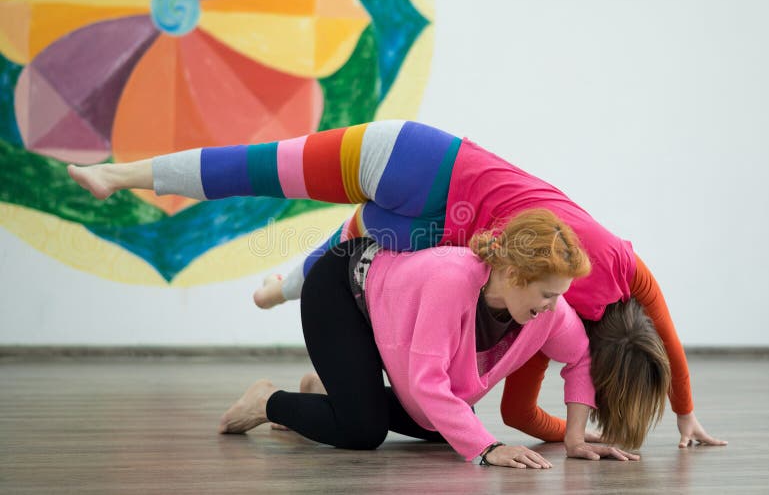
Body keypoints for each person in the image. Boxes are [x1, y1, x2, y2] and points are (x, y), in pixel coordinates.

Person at [67, 119, 725, 448]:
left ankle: (287, 284)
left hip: (434, 223)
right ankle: (119, 175)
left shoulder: (581, 294)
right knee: (263, 170)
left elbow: (651, 335)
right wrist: (615, 428)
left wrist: (669, 415)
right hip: (419, 164)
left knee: (359, 237)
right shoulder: (577, 284)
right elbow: (524, 409)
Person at [216, 209, 641, 466]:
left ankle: (325, 390)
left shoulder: (548, 312)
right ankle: (266, 400)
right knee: (363, 432)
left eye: (559, 296)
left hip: (389, 315)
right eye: (548, 294)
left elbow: (580, 358)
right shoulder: (451, 282)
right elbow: (426, 383)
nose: (554, 307)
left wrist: (574, 436)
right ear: (514, 274)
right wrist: (487, 449)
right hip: (343, 288)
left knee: (449, 426)